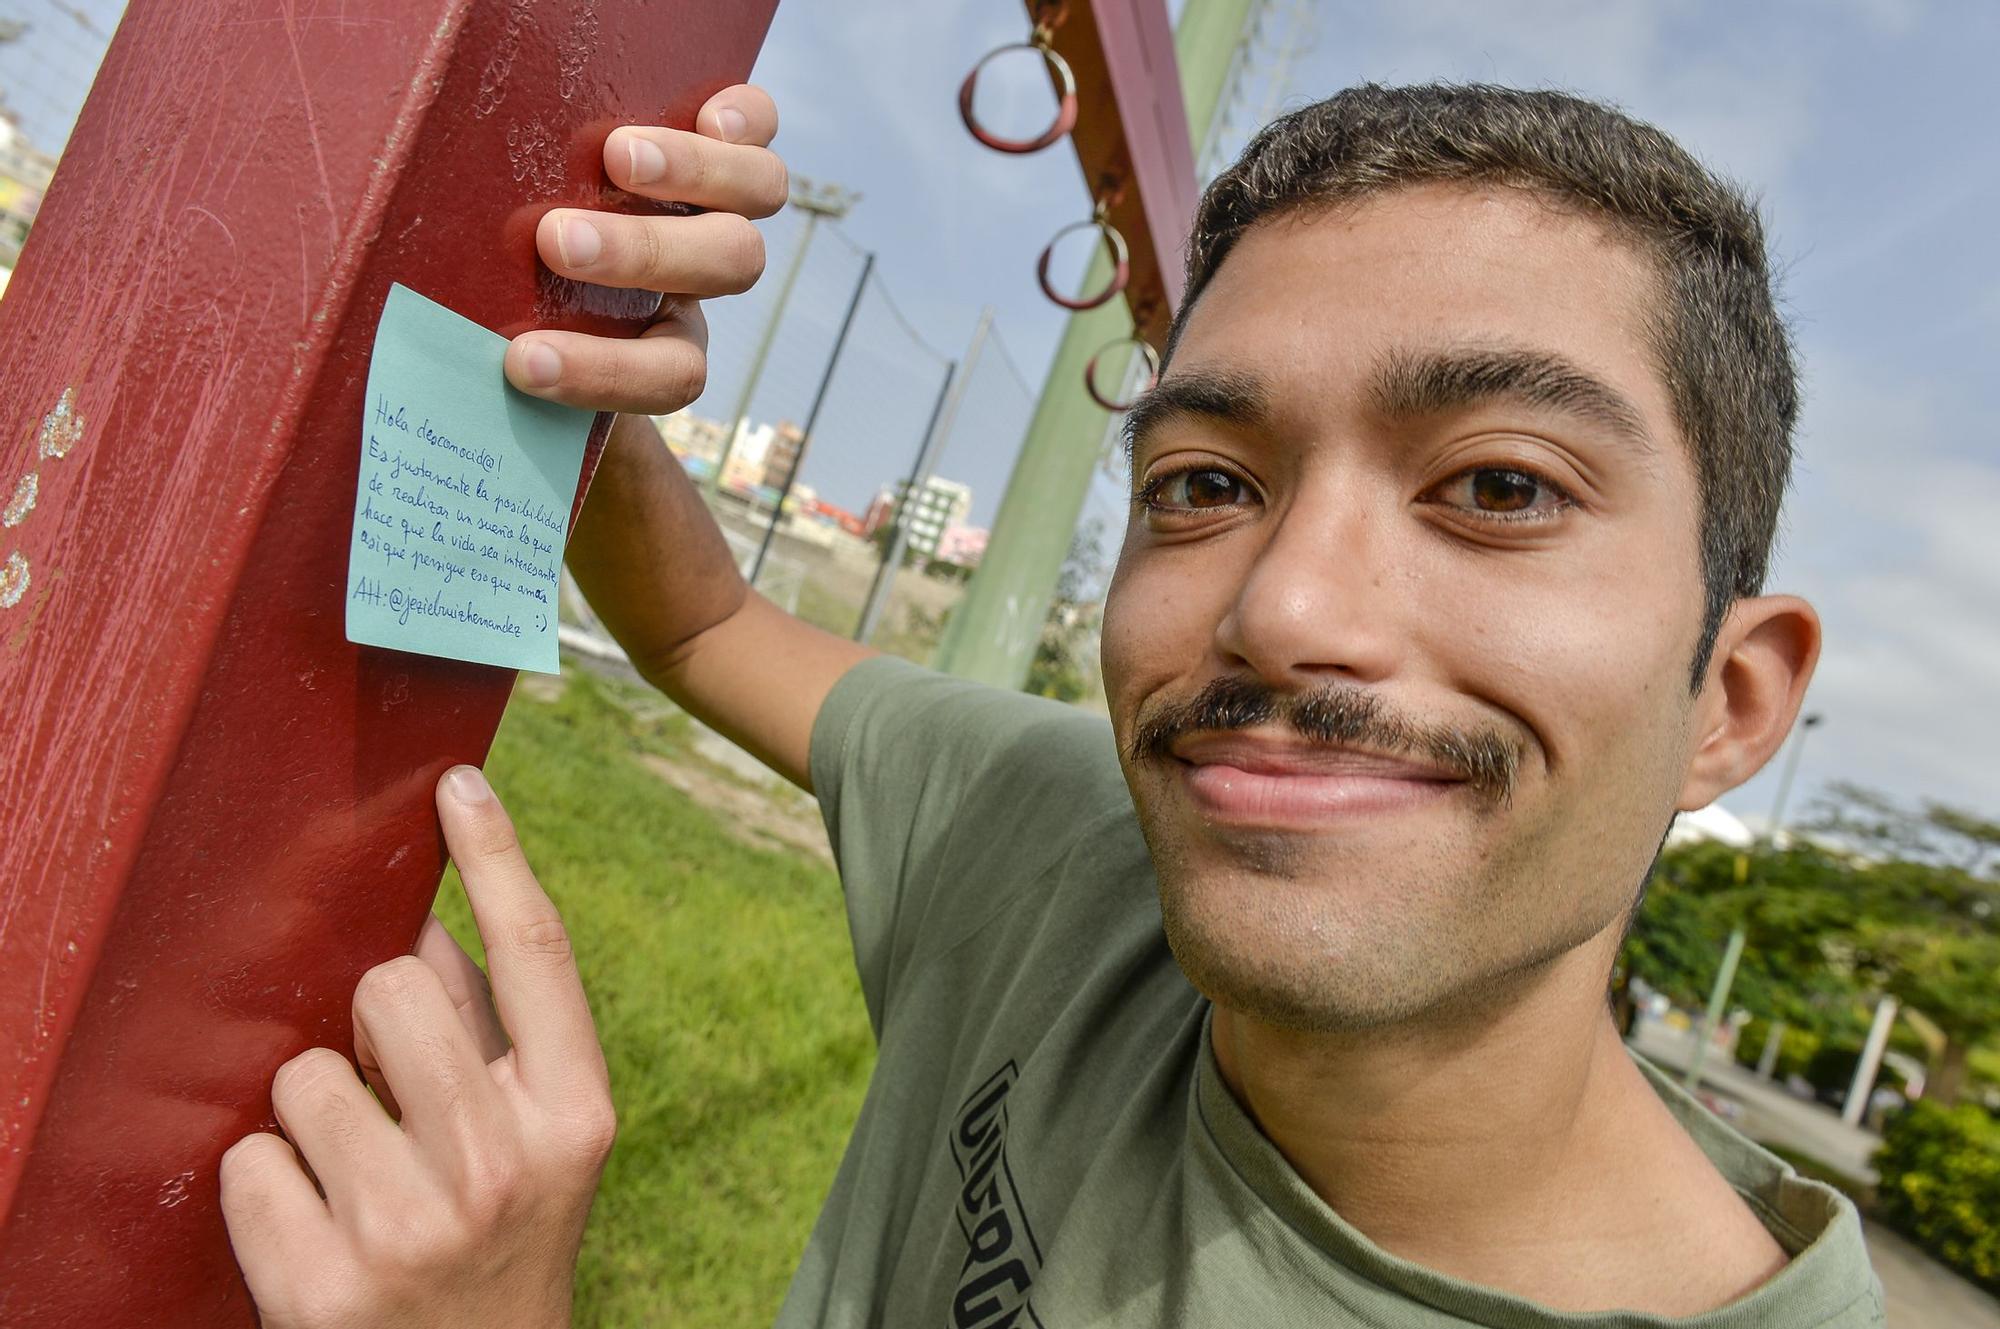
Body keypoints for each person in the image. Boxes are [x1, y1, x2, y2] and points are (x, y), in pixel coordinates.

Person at [221, 81, 1886, 1327]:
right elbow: (711, 620)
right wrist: (565, 332)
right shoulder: (1081, 843)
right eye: (1206, 480)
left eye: (1503, 489)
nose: (1283, 605)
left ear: (1731, 702)